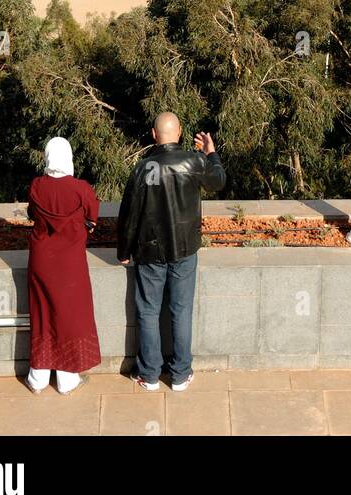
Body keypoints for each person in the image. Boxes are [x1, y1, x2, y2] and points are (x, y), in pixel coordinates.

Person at [117, 113, 225, 392]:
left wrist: (124, 251)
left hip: (150, 252)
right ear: (178, 133)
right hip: (185, 249)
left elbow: (129, 214)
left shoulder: (143, 167)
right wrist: (211, 154)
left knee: (148, 312)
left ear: (154, 135)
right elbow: (218, 181)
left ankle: (150, 374)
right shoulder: (194, 161)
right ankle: (180, 374)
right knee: (181, 310)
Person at [25, 137, 101, 395]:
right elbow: (93, 216)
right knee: (69, 317)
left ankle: (38, 378)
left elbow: (32, 214)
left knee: (42, 314)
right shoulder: (81, 189)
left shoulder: (37, 186)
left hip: (41, 262)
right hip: (71, 264)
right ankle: (67, 379)